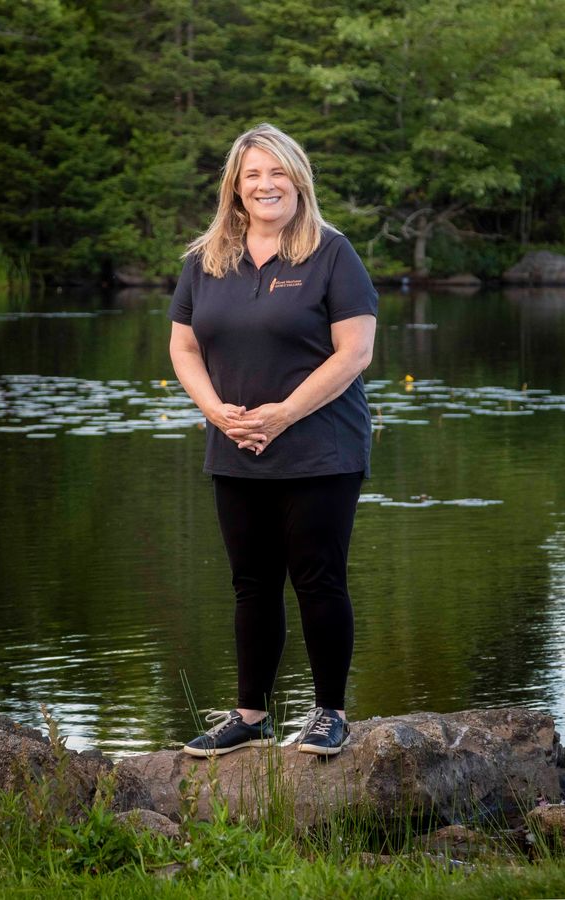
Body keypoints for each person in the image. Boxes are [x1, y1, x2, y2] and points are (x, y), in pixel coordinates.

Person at [168, 123, 378, 757]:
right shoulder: (205, 260)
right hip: (235, 446)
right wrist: (218, 413)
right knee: (251, 583)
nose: (266, 184)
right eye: (253, 174)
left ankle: (330, 714)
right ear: (235, 188)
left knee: (318, 578)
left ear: (299, 180)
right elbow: (183, 346)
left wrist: (284, 413)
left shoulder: (333, 253)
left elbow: (356, 352)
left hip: (322, 448)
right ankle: (249, 714)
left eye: (277, 172)